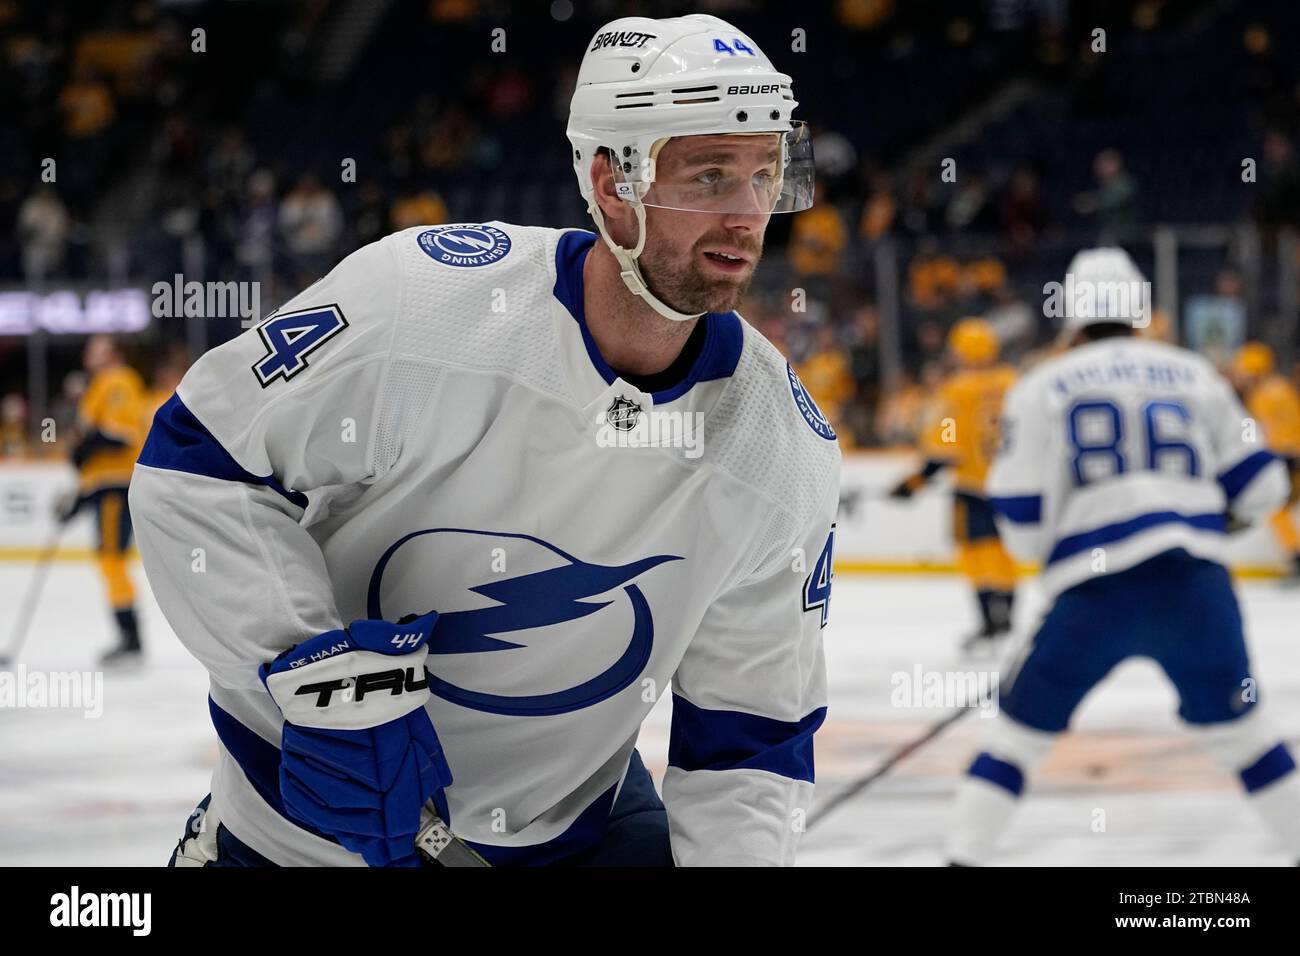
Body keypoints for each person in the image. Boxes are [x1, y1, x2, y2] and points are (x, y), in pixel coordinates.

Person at [132, 14, 840, 868]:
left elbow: (750, 741)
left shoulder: (780, 450)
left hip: (573, 838)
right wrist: (311, 673)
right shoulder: (422, 304)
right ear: (614, 184)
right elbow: (197, 465)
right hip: (299, 837)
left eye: (765, 176)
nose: (746, 217)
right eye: (711, 176)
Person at [948, 248, 1300, 865]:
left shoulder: (1039, 385)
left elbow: (1023, 520)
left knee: (1015, 740)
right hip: (1196, 584)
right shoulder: (1194, 372)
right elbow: (1264, 486)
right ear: (1141, 311)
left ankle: (962, 858)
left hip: (1094, 592)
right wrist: (1213, 517)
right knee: (1247, 739)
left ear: (1071, 318)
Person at [890, 319, 1018, 651]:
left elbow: (945, 449)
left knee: (975, 551)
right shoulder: (1012, 381)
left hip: (972, 485)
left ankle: (990, 620)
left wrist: (914, 482)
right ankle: (1007, 616)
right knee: (1004, 550)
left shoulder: (957, 390)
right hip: (1009, 483)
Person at [65, 334, 149, 665]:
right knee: (109, 559)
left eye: (96, 348)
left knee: (111, 558)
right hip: (104, 485)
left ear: (113, 352)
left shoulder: (118, 380)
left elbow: (121, 434)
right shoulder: (100, 385)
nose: (89, 353)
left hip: (116, 485)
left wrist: (89, 443)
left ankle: (130, 637)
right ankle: (128, 636)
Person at [1231, 341, 1300, 581]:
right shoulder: (1281, 387)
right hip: (1293, 455)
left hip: (1287, 458)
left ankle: (1296, 555)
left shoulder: (1263, 396)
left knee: (1275, 508)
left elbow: (1263, 432)